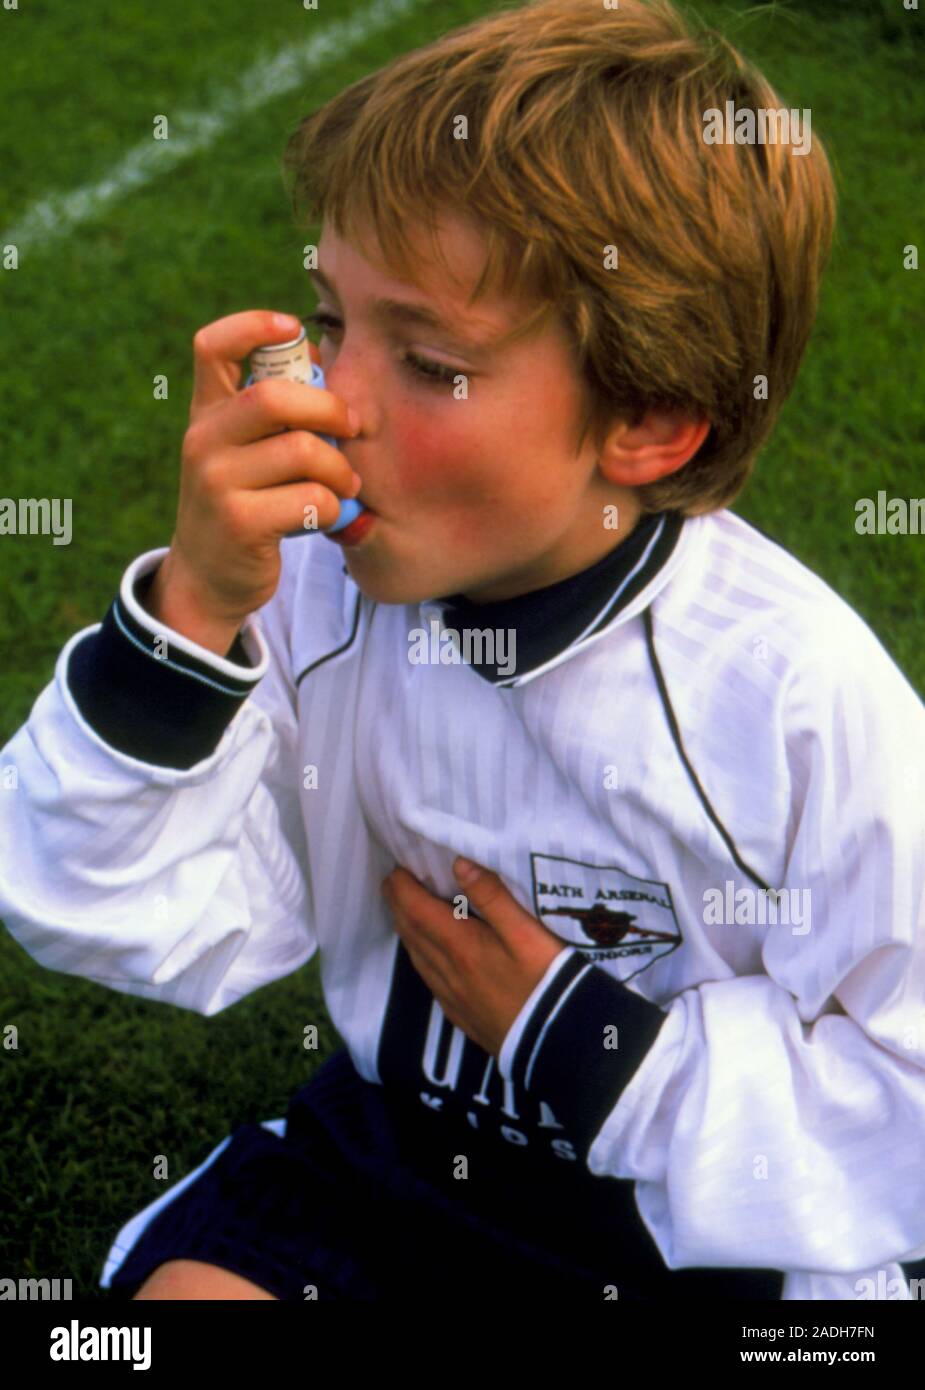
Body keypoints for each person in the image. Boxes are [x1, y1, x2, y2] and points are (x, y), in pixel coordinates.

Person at [2, 0, 924, 1303]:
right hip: (400, 1164)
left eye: (427, 361)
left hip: (698, 1240)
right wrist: (197, 610)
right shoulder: (316, 593)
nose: (330, 399)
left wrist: (591, 1047)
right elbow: (124, 916)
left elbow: (906, 1108)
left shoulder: (791, 701)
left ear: (650, 421)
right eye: (331, 323)